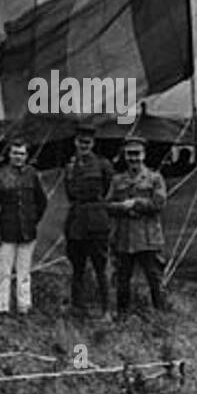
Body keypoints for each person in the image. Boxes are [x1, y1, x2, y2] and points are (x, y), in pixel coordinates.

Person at [106, 137, 168, 315]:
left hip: (148, 237)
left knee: (155, 278)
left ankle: (160, 316)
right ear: (124, 155)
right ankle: (122, 316)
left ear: (144, 155)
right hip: (124, 238)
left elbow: (159, 203)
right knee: (122, 279)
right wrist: (123, 208)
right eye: (129, 154)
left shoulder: (155, 178)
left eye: (137, 154)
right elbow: (108, 205)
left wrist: (135, 203)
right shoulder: (118, 180)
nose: (133, 158)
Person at [0, 139, 48, 314]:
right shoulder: (0, 176)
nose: (18, 157)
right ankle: (0, 305)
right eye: (14, 153)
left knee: (24, 272)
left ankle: (24, 306)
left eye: (21, 154)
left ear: (26, 156)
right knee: (3, 271)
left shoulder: (32, 175)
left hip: (27, 231)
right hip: (6, 230)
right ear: (9, 155)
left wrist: (33, 220)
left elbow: (42, 202)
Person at [63, 125, 114, 314]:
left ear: (93, 143)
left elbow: (108, 189)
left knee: (100, 266)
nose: (83, 145)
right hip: (76, 222)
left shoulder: (103, 165)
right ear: (75, 142)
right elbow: (70, 193)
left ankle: (106, 310)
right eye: (80, 142)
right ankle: (78, 307)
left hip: (96, 222)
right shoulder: (70, 167)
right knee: (77, 266)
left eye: (87, 142)